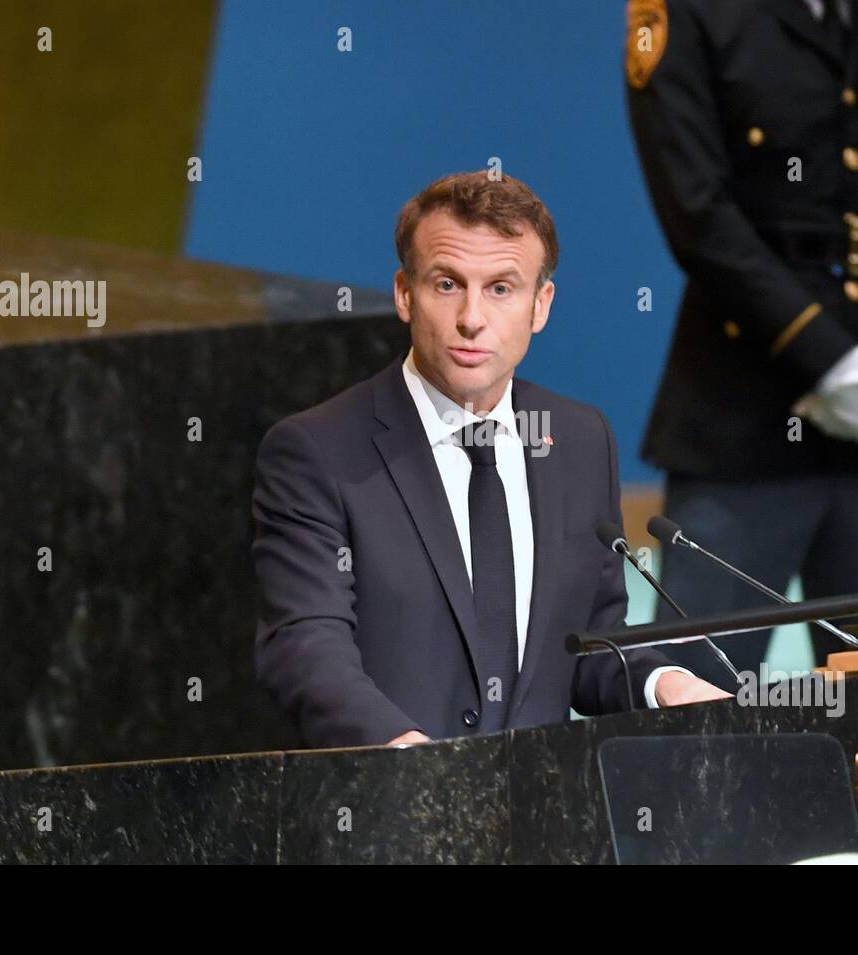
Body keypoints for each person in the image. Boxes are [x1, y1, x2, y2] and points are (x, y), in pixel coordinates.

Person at [252, 171, 728, 749]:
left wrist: (665, 684)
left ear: (541, 304)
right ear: (405, 293)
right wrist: (409, 759)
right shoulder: (318, 450)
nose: (472, 318)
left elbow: (588, 642)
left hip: (543, 816)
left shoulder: (577, 439)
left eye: (502, 288)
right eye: (448, 284)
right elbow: (305, 646)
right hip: (384, 814)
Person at [625, 0, 858, 682]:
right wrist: (832, 360)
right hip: (744, 411)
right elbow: (697, 211)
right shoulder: (686, 12)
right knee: (698, 708)